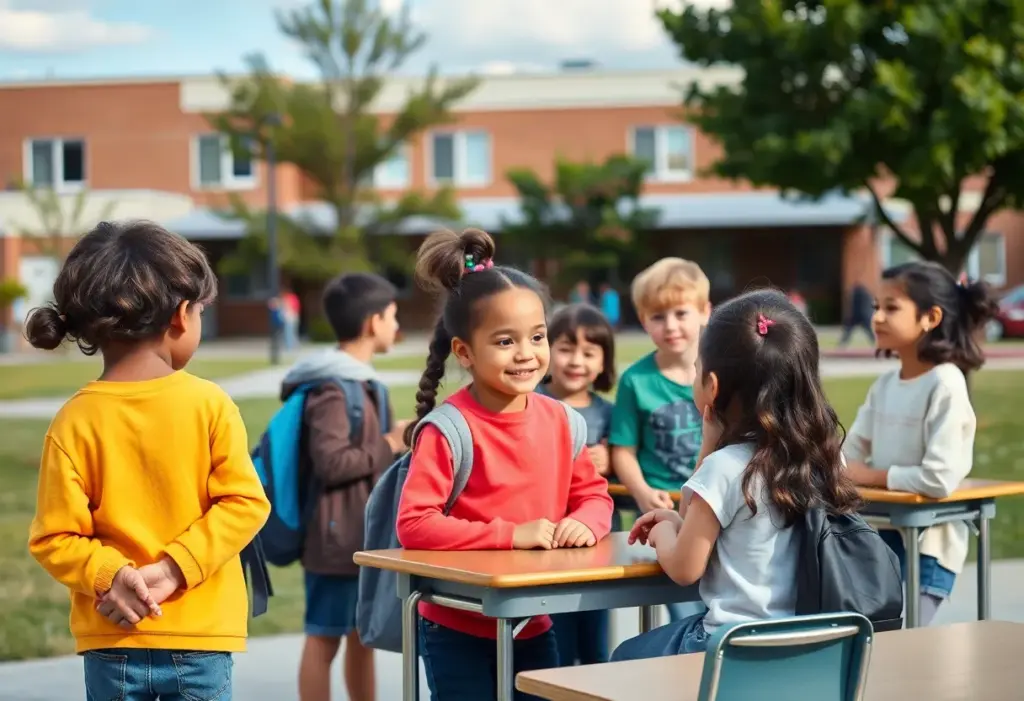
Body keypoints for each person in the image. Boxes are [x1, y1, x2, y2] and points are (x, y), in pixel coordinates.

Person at [25, 220, 271, 700]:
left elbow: (54, 537)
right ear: (182, 315)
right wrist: (177, 569)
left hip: (112, 639)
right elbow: (245, 503)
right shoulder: (210, 405)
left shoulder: (73, 421)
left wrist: (109, 576)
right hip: (200, 637)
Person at [394, 228, 615, 701]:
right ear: (465, 352)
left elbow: (594, 495)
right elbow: (414, 525)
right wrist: (511, 534)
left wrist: (585, 523)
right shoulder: (449, 430)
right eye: (504, 341)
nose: (526, 354)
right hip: (457, 627)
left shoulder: (563, 421)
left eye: (537, 337)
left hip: (534, 623)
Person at [610, 289, 863, 661]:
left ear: (711, 386)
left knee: (623, 659)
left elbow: (684, 568)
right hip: (812, 645)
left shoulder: (725, 468)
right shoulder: (826, 458)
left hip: (733, 647)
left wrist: (664, 530)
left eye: (697, 370)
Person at [843, 262, 998, 626]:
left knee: (905, 642)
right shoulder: (884, 387)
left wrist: (867, 475)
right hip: (881, 541)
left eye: (891, 307)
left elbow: (939, 478)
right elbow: (846, 457)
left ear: (930, 317)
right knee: (874, 641)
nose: (877, 317)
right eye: (876, 307)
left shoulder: (945, 384)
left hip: (930, 550)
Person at [287, 273, 411, 701]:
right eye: (393, 317)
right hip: (335, 540)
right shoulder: (333, 388)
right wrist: (389, 442)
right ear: (372, 322)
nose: (397, 326)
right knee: (324, 637)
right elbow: (333, 461)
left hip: (362, 534)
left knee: (363, 635)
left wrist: (393, 440)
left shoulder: (362, 382)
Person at [609, 257, 709, 622]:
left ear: (704, 311)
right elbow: (623, 450)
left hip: (713, 504)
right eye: (658, 317)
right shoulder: (636, 380)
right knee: (682, 602)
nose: (671, 326)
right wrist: (639, 491)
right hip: (662, 505)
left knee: (719, 597)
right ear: (643, 321)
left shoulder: (721, 372)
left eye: (681, 313)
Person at [536, 303, 617, 667]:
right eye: (566, 349)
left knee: (596, 644)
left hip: (596, 546)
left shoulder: (607, 413)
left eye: (588, 352)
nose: (575, 361)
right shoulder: (532, 403)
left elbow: (627, 457)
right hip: (547, 543)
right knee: (557, 641)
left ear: (603, 363)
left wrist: (610, 459)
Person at [839, 282, 875, 346]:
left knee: (848, 330)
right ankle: (876, 342)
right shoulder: (865, 294)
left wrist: (850, 316)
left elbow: (853, 307)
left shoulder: (857, 295)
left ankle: (842, 343)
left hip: (857, 316)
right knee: (869, 331)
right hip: (863, 316)